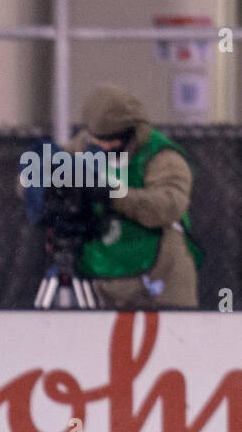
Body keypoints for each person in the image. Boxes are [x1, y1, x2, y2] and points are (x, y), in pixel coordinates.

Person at [72, 84, 202, 309]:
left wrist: (112, 193)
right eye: (96, 139)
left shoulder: (161, 156)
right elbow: (38, 174)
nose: (102, 147)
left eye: (110, 140)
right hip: (107, 267)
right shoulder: (86, 145)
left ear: (129, 134)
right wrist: (44, 183)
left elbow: (169, 205)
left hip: (160, 275)